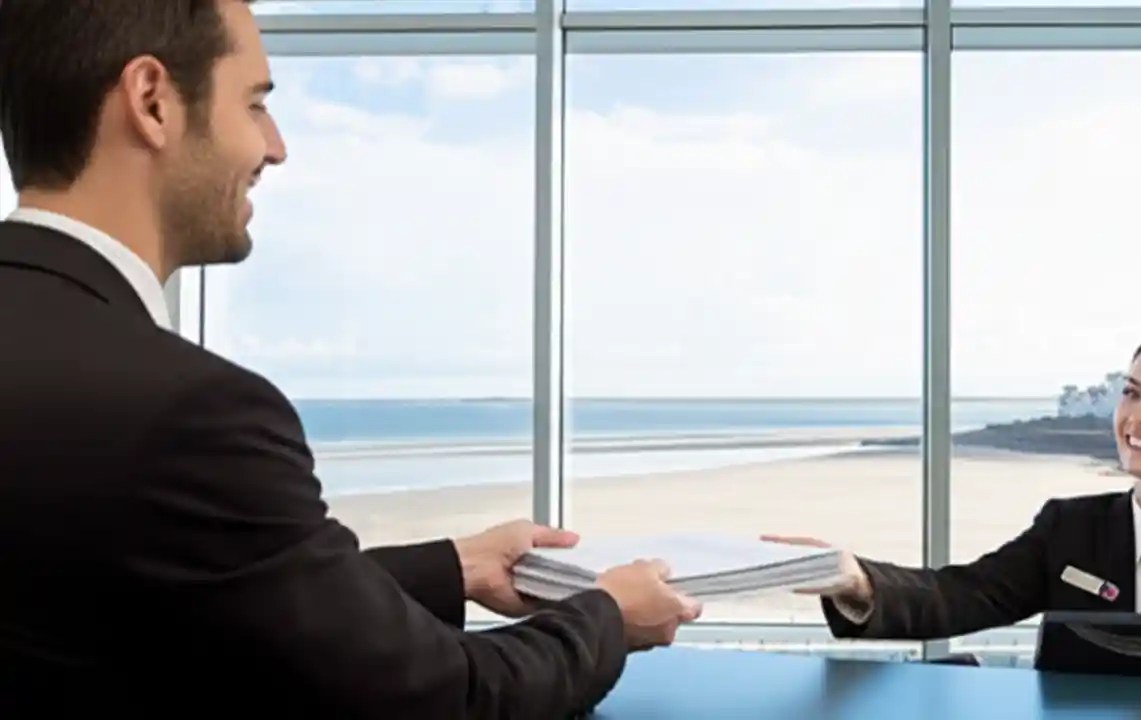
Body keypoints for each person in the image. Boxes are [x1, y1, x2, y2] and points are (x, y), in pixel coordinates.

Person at [0, 1, 700, 717]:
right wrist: (609, 615)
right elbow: (450, 699)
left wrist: (453, 569)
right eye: (255, 104)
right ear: (152, 102)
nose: (274, 147)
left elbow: (200, 589)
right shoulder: (193, 414)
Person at [766, 328, 1141, 659]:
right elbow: (960, 595)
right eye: (1131, 392)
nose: (1138, 415)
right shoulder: (1068, 531)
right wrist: (856, 580)